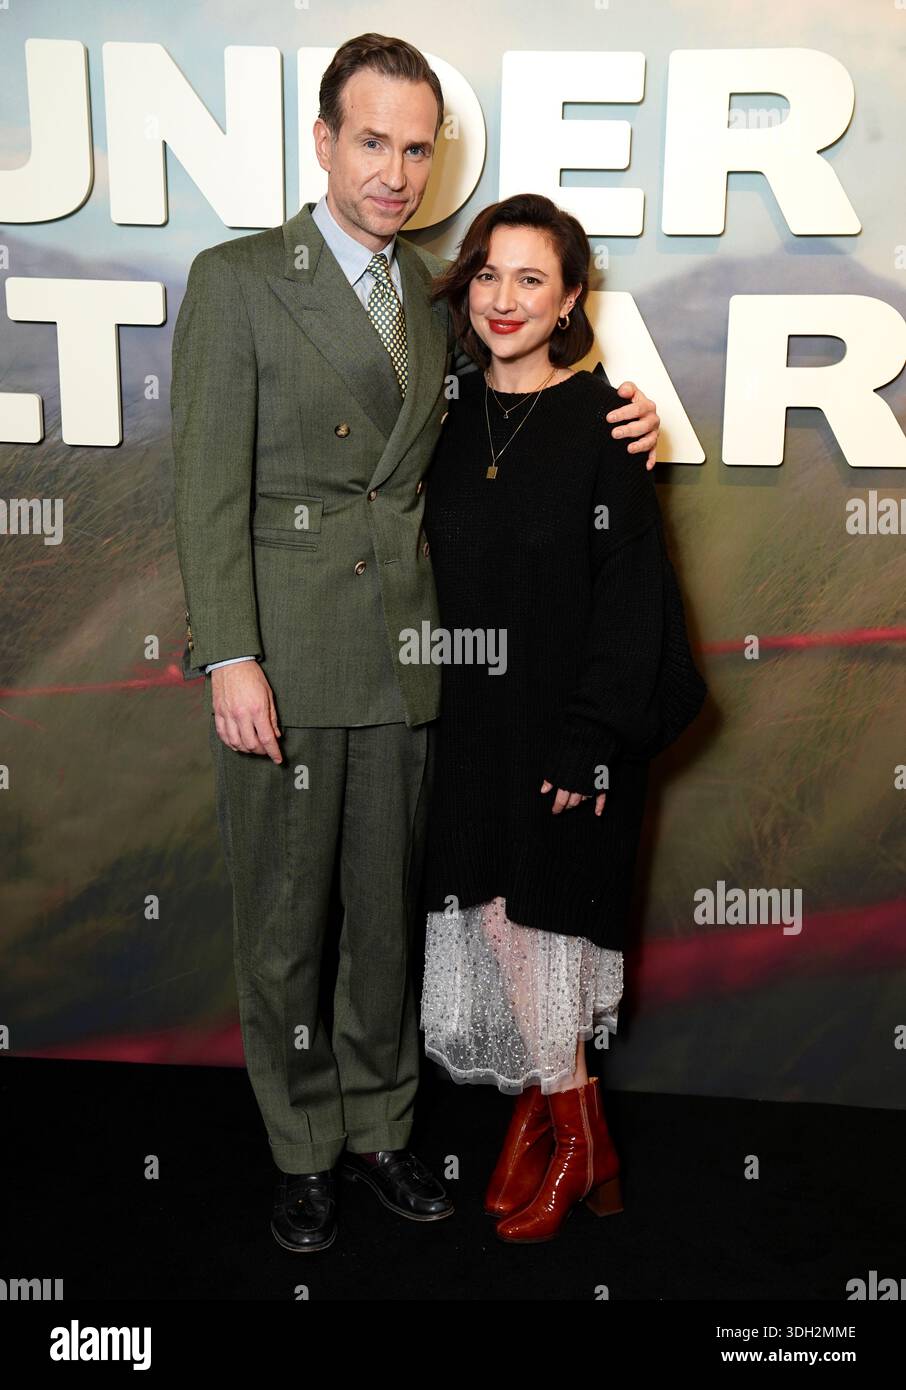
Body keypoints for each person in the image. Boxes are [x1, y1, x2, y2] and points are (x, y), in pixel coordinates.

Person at [171, 33, 662, 1255]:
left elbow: (522, 405)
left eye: (415, 147)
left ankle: (382, 1129)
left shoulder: (443, 296)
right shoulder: (239, 279)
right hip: (283, 658)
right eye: (371, 141)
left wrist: (629, 409)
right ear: (325, 140)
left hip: (412, 658)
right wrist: (228, 652)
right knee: (287, 924)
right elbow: (204, 490)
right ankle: (302, 1152)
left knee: (387, 918)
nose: (394, 170)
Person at [419, 193, 707, 1242]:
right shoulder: (443, 410)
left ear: (572, 299)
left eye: (532, 279)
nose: (505, 298)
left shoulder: (603, 422)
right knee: (500, 926)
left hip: (565, 727)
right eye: (489, 274)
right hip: (468, 721)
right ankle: (553, 1121)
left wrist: (588, 741)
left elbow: (636, 600)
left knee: (538, 923)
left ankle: (583, 1143)